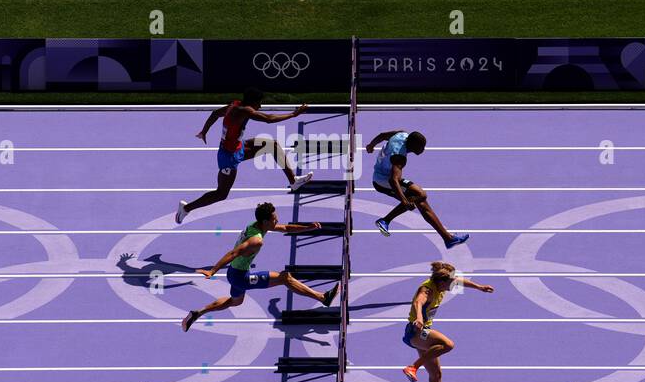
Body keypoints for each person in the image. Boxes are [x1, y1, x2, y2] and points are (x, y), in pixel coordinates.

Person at [182, 202, 339, 331]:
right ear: (265, 222)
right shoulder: (256, 240)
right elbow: (233, 253)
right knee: (285, 278)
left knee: (235, 301)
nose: (277, 221)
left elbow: (285, 228)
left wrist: (307, 228)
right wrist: (213, 270)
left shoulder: (255, 225)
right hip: (241, 277)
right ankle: (323, 298)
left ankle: (197, 313)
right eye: (274, 219)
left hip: (234, 274)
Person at [175, 88, 312, 224]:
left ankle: (293, 181)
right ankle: (186, 208)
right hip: (228, 156)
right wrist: (294, 114)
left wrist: (204, 131)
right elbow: (269, 119)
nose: (260, 106)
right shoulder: (244, 110)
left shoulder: (233, 105)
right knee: (221, 194)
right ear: (252, 102)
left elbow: (215, 114)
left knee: (273, 145)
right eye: (259, 103)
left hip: (238, 147)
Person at [400, 261, 494, 382]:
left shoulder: (442, 284)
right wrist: (419, 318)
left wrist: (479, 287)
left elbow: (461, 281)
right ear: (442, 282)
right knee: (447, 344)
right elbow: (418, 302)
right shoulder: (427, 290)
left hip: (424, 333)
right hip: (415, 331)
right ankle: (413, 367)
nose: (453, 284)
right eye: (450, 282)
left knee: (436, 375)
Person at [365, 129, 468, 248]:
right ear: (412, 145)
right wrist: (404, 200)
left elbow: (382, 135)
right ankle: (385, 220)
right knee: (421, 194)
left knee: (422, 202)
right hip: (382, 180)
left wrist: (371, 145)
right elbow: (393, 181)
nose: (423, 150)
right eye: (421, 147)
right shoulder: (399, 157)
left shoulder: (401, 134)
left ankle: (448, 238)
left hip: (385, 175)